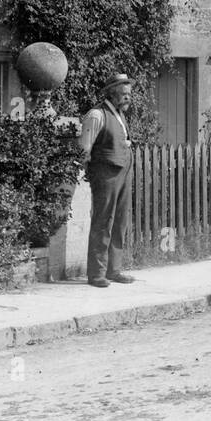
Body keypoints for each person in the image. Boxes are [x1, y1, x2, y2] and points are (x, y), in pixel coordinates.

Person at [77, 73, 137, 288]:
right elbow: (84, 149)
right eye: (123, 93)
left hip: (123, 173)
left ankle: (114, 270)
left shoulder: (120, 115)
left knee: (120, 222)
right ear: (112, 93)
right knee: (103, 222)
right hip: (105, 174)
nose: (127, 98)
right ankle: (97, 274)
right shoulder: (96, 115)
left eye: (129, 93)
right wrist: (90, 173)